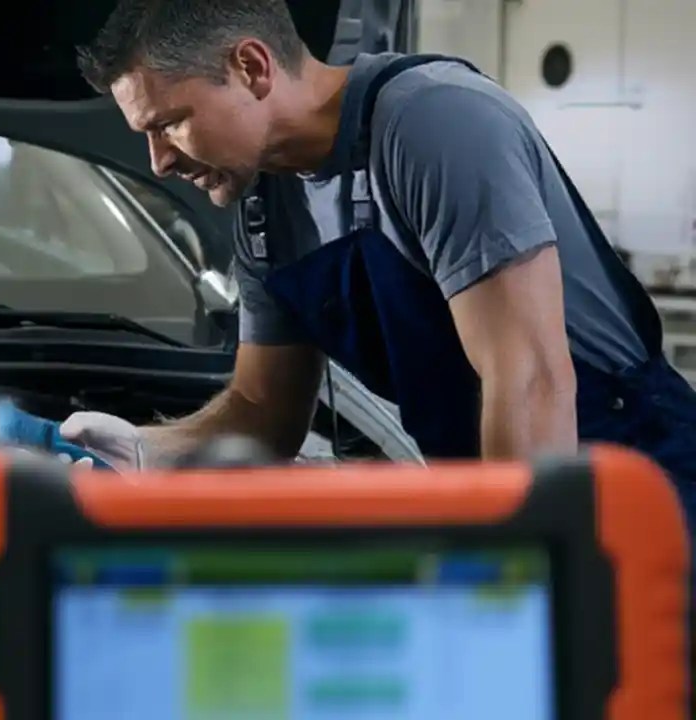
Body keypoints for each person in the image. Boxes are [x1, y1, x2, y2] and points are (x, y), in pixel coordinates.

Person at [59, 0, 696, 520]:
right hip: (489, 490)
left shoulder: (434, 125)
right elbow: (262, 413)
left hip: (634, 488)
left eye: (169, 124)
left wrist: (519, 582)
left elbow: (529, 379)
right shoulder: (264, 208)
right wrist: (149, 450)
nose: (159, 161)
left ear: (252, 67)